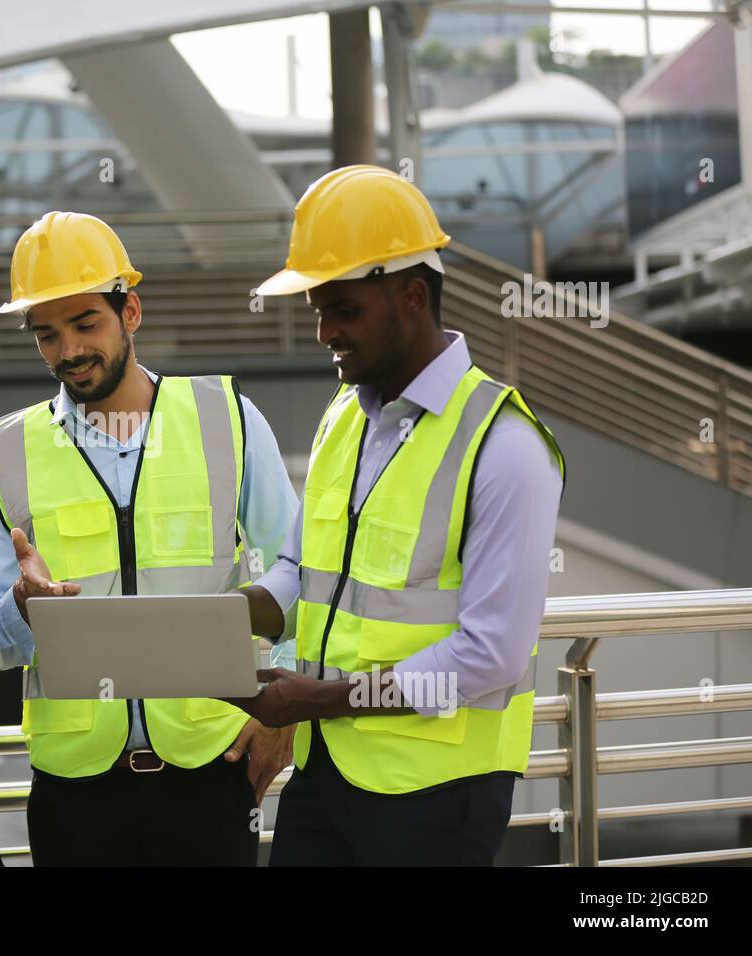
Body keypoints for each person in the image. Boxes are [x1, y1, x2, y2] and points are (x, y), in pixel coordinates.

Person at [233, 165, 566, 866]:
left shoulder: (504, 447)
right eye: (318, 309)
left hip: (439, 796)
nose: (324, 331)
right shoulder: (341, 420)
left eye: (344, 310)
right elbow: (301, 573)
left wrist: (317, 699)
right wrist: (222, 615)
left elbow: (490, 655)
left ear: (412, 296)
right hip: (329, 775)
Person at [0, 211, 300, 865]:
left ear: (131, 312)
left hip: (212, 769)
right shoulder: (6, 449)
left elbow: (299, 570)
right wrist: (20, 607)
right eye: (46, 334)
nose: (67, 351)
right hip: (74, 792)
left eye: (85, 323)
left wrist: (283, 708)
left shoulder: (226, 418)